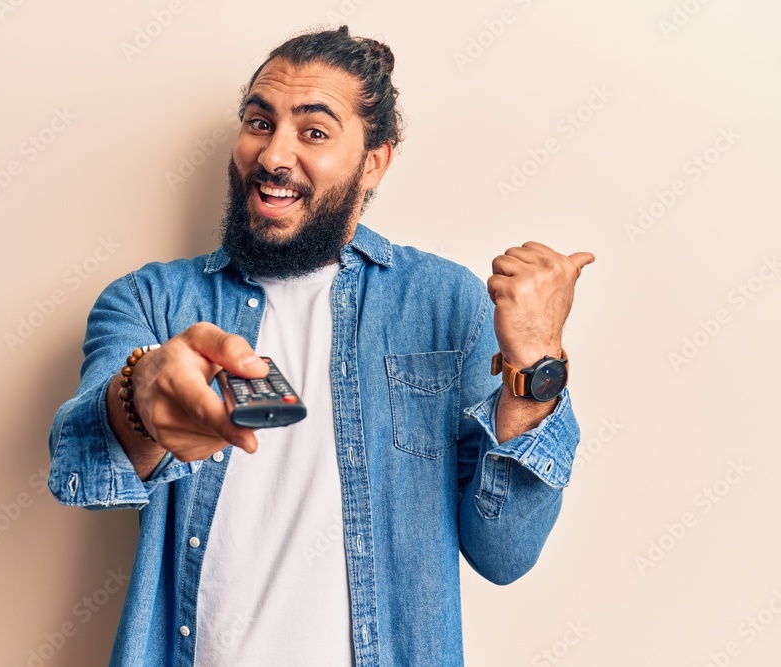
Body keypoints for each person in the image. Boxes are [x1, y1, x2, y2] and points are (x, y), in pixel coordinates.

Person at [47, 25, 594, 667]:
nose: (274, 156)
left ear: (375, 162)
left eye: (313, 132)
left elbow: (504, 552)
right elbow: (79, 465)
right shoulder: (151, 301)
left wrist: (536, 364)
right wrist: (142, 397)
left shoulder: (449, 305)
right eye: (258, 121)